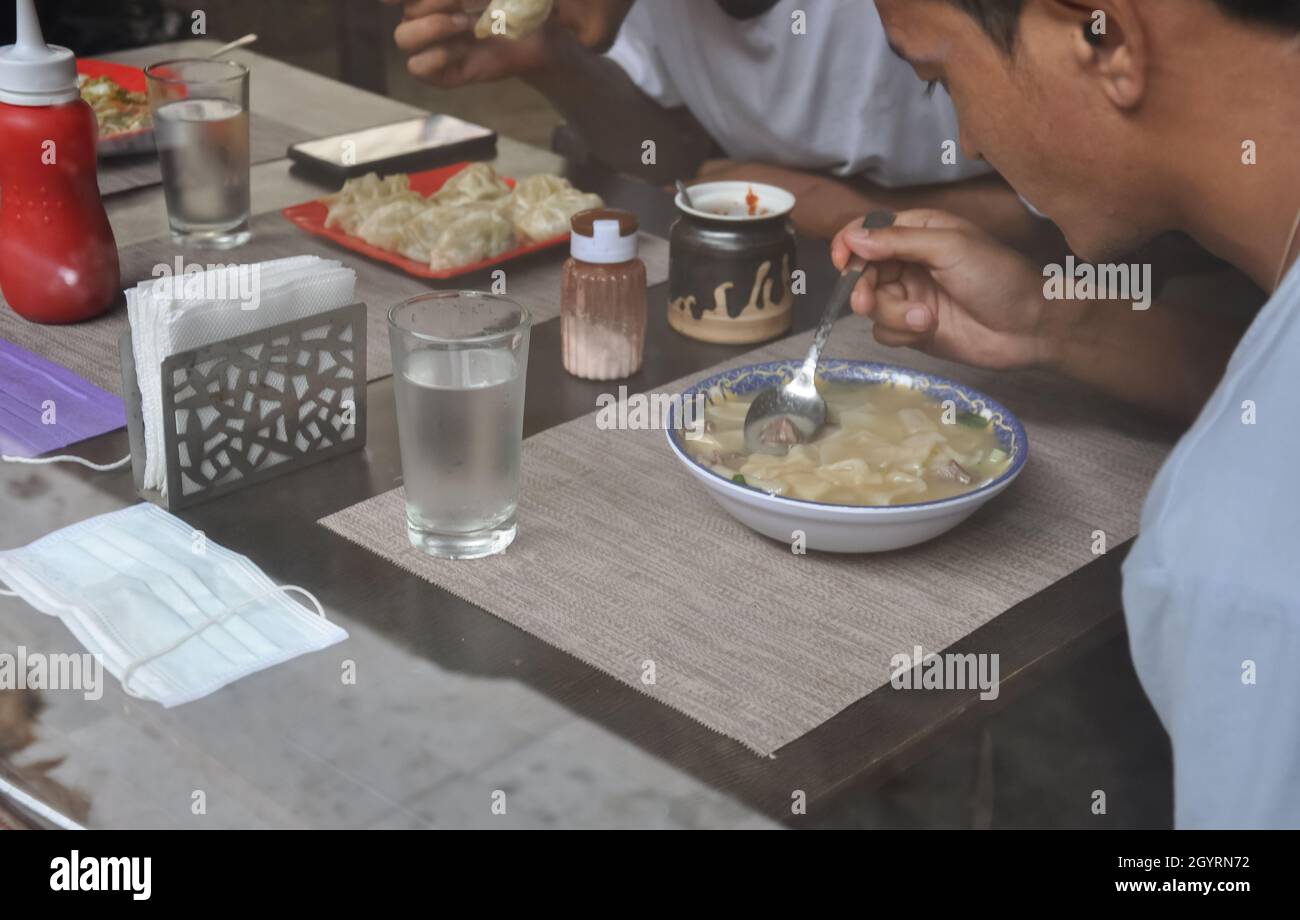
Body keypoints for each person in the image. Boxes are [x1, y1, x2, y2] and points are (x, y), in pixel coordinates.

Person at [832, 0, 1300, 828]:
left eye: (942, 77)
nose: (970, 143)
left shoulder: (1246, 563)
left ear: (1105, 35)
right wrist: (1050, 318)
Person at [384, 0, 1050, 248]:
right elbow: (672, 157)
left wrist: (833, 208)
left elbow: (1089, 228)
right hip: (783, 281)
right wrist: (551, 60)